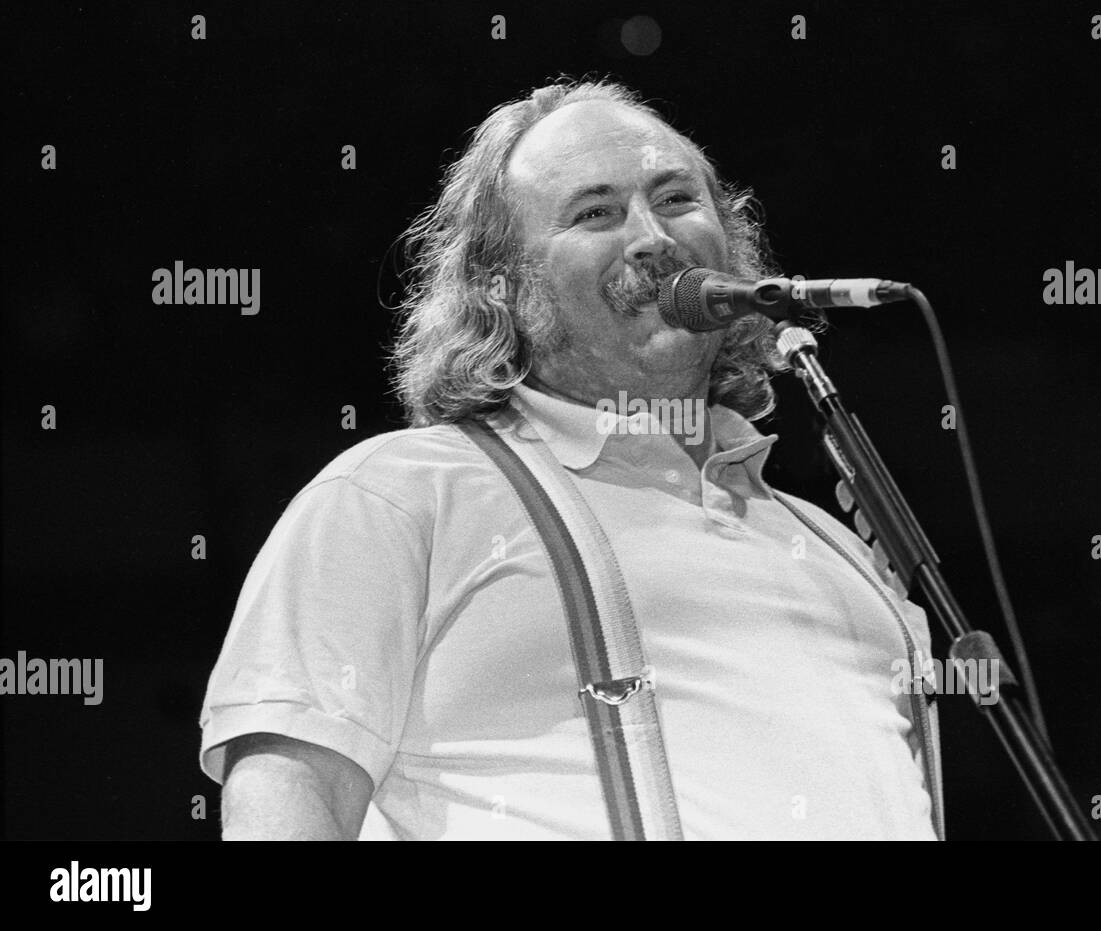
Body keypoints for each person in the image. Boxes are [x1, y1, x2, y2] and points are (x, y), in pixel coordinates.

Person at [199, 78, 944, 840]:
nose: (654, 237)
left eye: (679, 199)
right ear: (501, 283)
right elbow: (289, 802)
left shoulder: (838, 551)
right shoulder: (395, 498)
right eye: (596, 213)